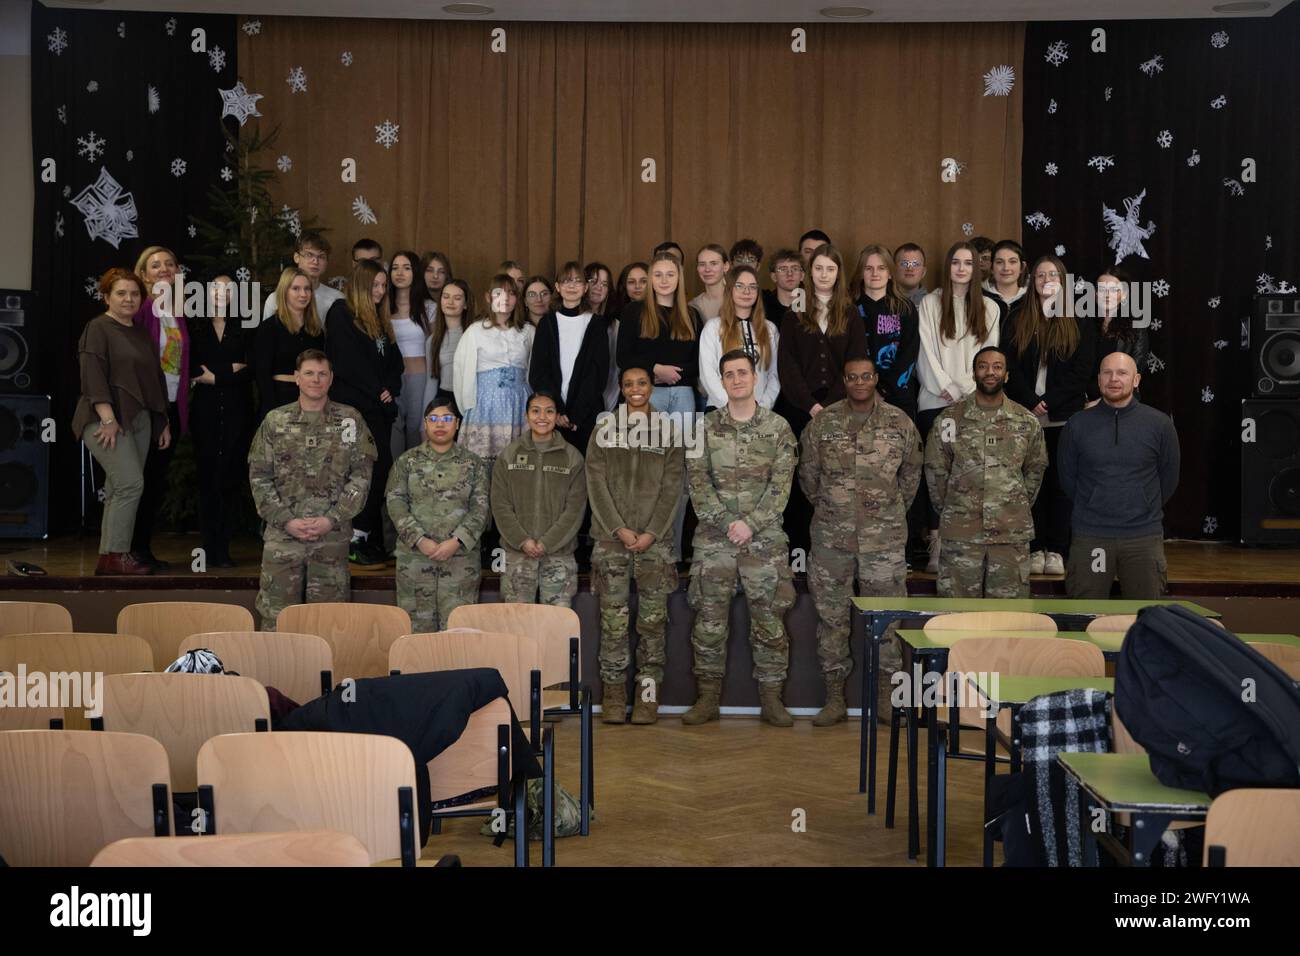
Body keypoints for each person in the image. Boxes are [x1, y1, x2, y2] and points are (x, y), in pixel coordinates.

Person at [800, 356, 922, 725]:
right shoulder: (823, 423)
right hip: (831, 540)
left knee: (887, 623)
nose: (859, 382)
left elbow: (912, 475)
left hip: (883, 541)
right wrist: (835, 508)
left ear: (875, 378)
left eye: (865, 376)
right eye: (852, 377)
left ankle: (887, 700)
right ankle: (834, 699)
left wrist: (884, 511)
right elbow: (808, 476)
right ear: (844, 380)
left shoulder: (899, 422)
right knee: (832, 620)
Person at [684, 350, 797, 727]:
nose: (736, 380)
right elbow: (698, 485)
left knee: (769, 624)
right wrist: (727, 522)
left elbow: (781, 487)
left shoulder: (778, 428)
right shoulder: (703, 429)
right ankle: (707, 699)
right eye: (728, 374)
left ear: (755, 378)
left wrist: (750, 523)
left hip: (763, 542)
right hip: (714, 542)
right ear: (721, 380)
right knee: (709, 624)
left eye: (742, 373)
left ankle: (772, 700)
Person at [248, 349, 377, 631]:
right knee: (276, 622)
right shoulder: (275, 421)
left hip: (330, 537)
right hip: (283, 539)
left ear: (331, 379)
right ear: (296, 378)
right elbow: (259, 477)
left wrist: (332, 518)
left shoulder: (349, 420)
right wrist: (286, 520)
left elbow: (362, 477)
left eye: (322, 374)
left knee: (329, 624)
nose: (315, 380)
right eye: (308, 373)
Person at [586, 365, 684, 725]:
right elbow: (596, 484)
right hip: (611, 542)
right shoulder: (604, 429)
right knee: (613, 624)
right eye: (628, 384)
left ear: (651, 386)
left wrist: (651, 533)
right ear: (621, 389)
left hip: (654, 545)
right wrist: (618, 528)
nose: (635, 389)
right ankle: (613, 697)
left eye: (641, 383)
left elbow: (673, 488)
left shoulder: (669, 432)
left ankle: (647, 698)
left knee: (653, 625)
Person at [925, 346, 1047, 598]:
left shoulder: (1026, 422)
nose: (990, 372)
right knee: (955, 619)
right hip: (961, 535)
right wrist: (953, 508)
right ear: (973, 373)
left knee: (1007, 621)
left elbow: (1034, 472)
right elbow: (936, 471)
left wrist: (1013, 505)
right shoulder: (949, 420)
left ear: (1007, 374)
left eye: (997, 367)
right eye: (983, 366)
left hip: (1010, 535)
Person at [73, 269, 170, 576]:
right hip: (105, 419)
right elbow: (92, 376)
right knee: (130, 483)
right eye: (121, 293)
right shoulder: (98, 328)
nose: (129, 299)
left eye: (134, 294)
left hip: (140, 419)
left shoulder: (141, 333)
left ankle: (109, 558)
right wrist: (108, 418)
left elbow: (154, 380)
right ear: (106, 297)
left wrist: (161, 421)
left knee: (118, 487)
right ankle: (118, 554)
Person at [1060, 352, 1179, 599]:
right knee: (1084, 613)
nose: (1114, 379)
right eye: (1107, 373)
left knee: (1146, 617)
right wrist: (1095, 500)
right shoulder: (1077, 424)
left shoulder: (1159, 425)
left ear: (1136, 380)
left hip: (1142, 538)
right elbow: (1068, 478)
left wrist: (1143, 503)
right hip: (1091, 536)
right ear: (1099, 379)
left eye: (1122, 373)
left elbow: (1169, 478)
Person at [1005, 255, 1097, 576]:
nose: (1047, 280)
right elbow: (1010, 367)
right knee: (1030, 486)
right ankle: (1033, 547)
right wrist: (1031, 401)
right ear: (1032, 281)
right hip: (1026, 417)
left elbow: (1082, 370)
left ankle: (1057, 549)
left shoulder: (1079, 319)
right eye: (1041, 275)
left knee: (1060, 484)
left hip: (1063, 416)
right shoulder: (1017, 317)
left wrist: (1050, 401)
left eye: (1053, 275)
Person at [916, 240, 1001, 572]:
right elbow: (925, 351)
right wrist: (947, 387)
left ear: (976, 268)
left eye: (968, 263)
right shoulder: (931, 303)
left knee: (968, 474)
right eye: (956, 262)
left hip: (974, 401)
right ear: (948, 266)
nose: (962, 268)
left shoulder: (990, 309)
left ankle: (966, 541)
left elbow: (990, 357)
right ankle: (937, 541)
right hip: (935, 400)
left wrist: (968, 388)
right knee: (938, 473)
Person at [385, 397, 490, 632]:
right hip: (415, 562)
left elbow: (481, 508)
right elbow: (395, 502)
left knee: (457, 637)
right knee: (415, 639)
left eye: (446, 419)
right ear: (425, 423)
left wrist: (456, 541)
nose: (439, 424)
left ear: (458, 424)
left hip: (460, 563)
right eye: (433, 419)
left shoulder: (474, 464)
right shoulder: (407, 462)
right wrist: (420, 539)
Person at [325, 259, 404, 566]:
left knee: (380, 470)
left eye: (384, 286)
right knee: (358, 472)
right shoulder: (342, 313)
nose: (381, 291)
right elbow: (348, 363)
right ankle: (352, 538)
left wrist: (389, 388)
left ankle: (364, 535)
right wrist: (378, 390)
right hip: (353, 410)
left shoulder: (380, 320)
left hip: (379, 410)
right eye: (375, 285)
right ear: (360, 284)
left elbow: (394, 364)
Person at [491, 391, 587, 606]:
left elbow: (575, 509)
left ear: (557, 416)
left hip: (559, 556)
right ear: (526, 416)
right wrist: (523, 540)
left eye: (549, 411)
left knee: (556, 628)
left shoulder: (572, 457)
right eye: (535, 411)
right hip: (517, 555)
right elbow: (500, 504)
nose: (542, 417)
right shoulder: (509, 455)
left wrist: (546, 543)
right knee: (515, 628)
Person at [131, 244, 189, 570]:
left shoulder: (177, 311)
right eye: (156, 265)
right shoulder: (140, 309)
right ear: (143, 274)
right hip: (146, 408)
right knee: (137, 481)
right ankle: (128, 550)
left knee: (154, 481)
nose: (164, 269)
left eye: (170, 263)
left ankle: (142, 549)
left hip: (171, 406)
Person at [188, 275, 253, 568]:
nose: (221, 293)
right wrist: (230, 371)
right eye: (216, 288)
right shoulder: (195, 326)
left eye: (228, 289)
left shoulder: (246, 327)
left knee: (229, 480)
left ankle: (223, 548)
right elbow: (191, 369)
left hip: (239, 413)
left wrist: (216, 376)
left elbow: (252, 368)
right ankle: (208, 546)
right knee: (207, 480)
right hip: (205, 414)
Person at [528, 261, 610, 453]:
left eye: (577, 281)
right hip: (551, 416)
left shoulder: (597, 324)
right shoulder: (547, 324)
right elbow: (539, 373)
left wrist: (576, 415)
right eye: (566, 281)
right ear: (557, 287)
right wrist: (556, 410)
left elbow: (597, 374)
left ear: (585, 287)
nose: (571, 286)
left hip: (586, 414)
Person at [454, 274, 535, 462]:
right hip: (484, 406)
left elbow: (534, 371)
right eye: (498, 293)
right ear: (489, 297)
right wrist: (467, 407)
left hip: (519, 403)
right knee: (482, 463)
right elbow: (460, 372)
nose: (505, 298)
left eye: (511, 293)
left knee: (518, 462)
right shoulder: (475, 331)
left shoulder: (528, 331)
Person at [616, 251, 702, 417]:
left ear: (679, 278)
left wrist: (672, 375)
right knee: (647, 442)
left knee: (680, 443)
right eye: (658, 275)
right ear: (651, 279)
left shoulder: (692, 315)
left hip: (683, 393)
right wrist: (655, 369)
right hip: (647, 391)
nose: (664, 280)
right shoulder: (633, 311)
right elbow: (623, 356)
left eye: (670, 274)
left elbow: (698, 361)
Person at [851, 243, 920, 420]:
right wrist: (864, 388)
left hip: (898, 395)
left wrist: (882, 390)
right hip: (856, 393)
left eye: (881, 268)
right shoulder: (849, 308)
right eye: (869, 268)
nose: (875, 273)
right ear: (861, 273)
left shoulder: (905, 308)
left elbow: (909, 353)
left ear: (890, 273)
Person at [698, 265, 780, 410]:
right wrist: (732, 407)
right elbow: (708, 374)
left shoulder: (769, 329)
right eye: (740, 286)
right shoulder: (713, 328)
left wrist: (763, 406)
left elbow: (775, 374)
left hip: (760, 411)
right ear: (730, 290)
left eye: (752, 287)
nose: (747, 291)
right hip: (721, 409)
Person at [255, 267, 326, 426]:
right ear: (284, 292)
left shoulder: (316, 331)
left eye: (307, 288)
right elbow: (262, 375)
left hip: (313, 403)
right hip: (280, 401)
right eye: (296, 288)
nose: (303, 294)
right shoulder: (269, 328)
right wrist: (273, 412)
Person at [387, 250, 435, 453]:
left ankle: (416, 478)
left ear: (415, 272)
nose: (400, 273)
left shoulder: (429, 307)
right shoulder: (383, 306)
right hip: (392, 375)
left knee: (417, 426)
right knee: (393, 425)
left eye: (406, 268)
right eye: (395, 268)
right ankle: (395, 477)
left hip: (419, 376)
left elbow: (435, 344)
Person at [1085, 266, 1149, 403]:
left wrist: (1102, 402)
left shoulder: (1136, 325)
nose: (1107, 295)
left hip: (1122, 400)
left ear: (1124, 294)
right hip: (1085, 400)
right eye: (1102, 289)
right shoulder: (1084, 323)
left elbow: (1134, 369)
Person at [261, 232, 343, 323]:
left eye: (321, 257)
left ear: (327, 262)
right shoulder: (276, 299)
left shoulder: (337, 298)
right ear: (296, 257)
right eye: (309, 255)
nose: (315, 261)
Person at [603, 261, 648, 409]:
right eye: (631, 282)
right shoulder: (613, 319)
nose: (637, 286)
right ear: (624, 286)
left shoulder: (662, 315)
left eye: (643, 281)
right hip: (619, 386)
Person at [423, 278, 469, 409]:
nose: (450, 302)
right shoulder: (432, 340)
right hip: (443, 401)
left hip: (470, 401)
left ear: (466, 304)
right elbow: (431, 382)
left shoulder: (474, 334)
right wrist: (424, 421)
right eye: (446, 297)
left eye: (457, 298)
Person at [983, 239, 1028, 322]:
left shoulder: (1031, 300)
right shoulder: (980, 298)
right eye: (999, 262)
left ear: (1022, 267)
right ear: (991, 267)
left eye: (1012, 262)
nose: (1006, 268)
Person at [689, 243, 729, 321]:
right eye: (702, 264)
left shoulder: (740, 299)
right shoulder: (693, 305)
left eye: (713, 263)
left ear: (726, 266)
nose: (707, 269)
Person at [763, 248, 803, 322]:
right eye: (783, 269)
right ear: (774, 277)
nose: (790, 274)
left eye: (795, 269)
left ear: (802, 275)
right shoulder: (764, 307)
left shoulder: (812, 308)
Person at [895, 242, 929, 308]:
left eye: (915, 264)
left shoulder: (933, 304)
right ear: (894, 270)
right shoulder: (883, 300)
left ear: (923, 272)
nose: (910, 268)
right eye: (904, 264)